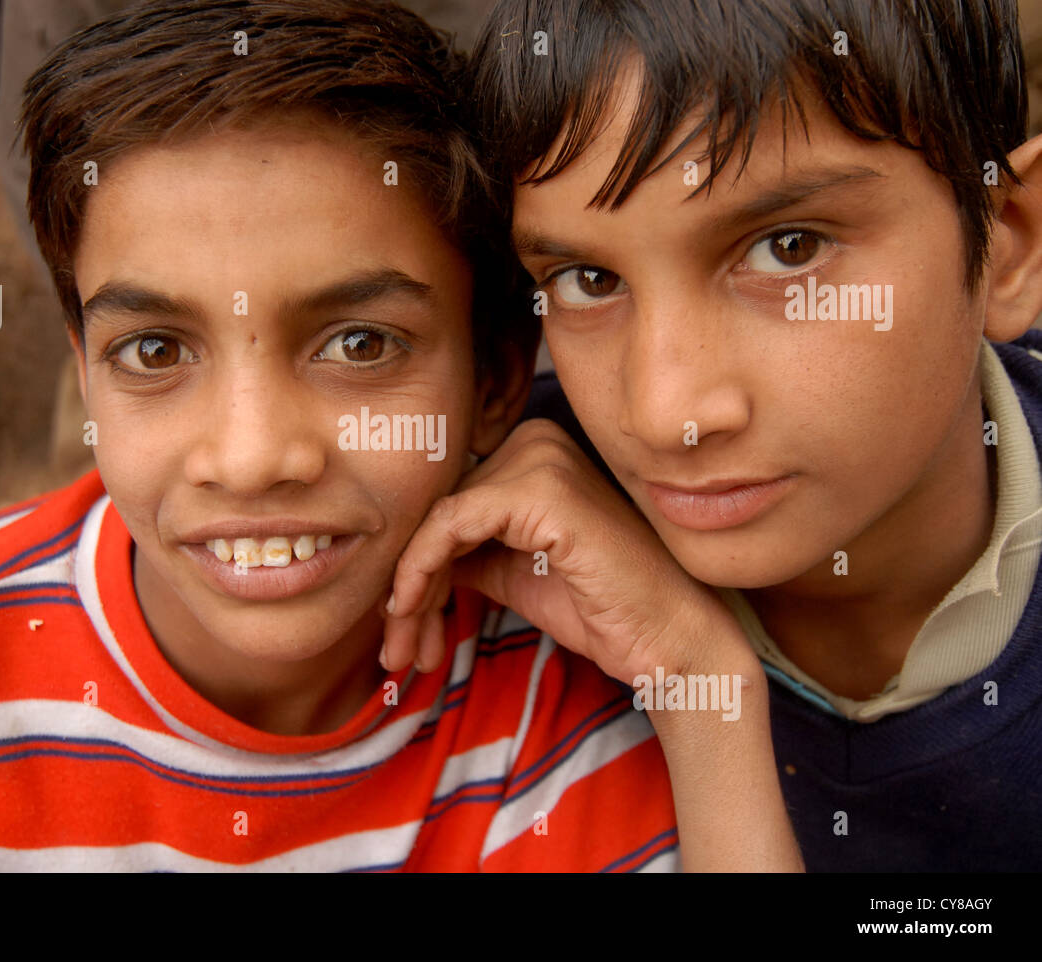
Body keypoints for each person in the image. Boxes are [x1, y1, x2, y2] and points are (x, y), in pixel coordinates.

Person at [0, 0, 800, 872]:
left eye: (357, 342)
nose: (250, 457)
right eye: (155, 351)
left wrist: (703, 687)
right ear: (81, 368)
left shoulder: (579, 696)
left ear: (494, 379)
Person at [386, 0, 1042, 870]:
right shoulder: (483, 581)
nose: (669, 414)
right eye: (587, 280)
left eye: (789, 249)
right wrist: (700, 691)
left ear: (1009, 245)